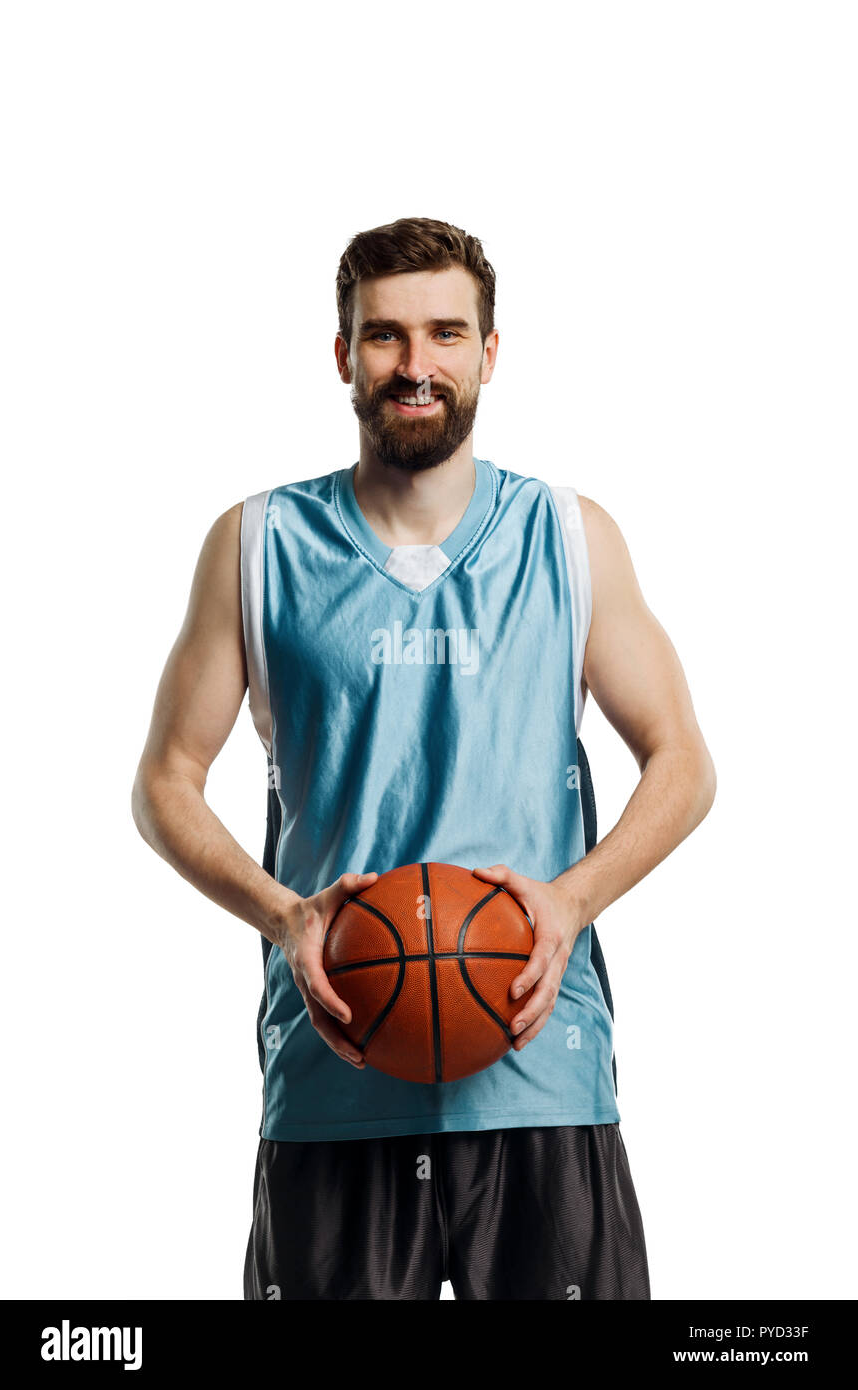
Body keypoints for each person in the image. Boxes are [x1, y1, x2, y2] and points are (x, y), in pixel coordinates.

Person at [132, 216, 716, 1301]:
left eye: (446, 332)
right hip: (334, 1064)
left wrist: (570, 901)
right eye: (386, 336)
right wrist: (288, 917)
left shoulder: (568, 535)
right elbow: (165, 781)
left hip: (541, 1070)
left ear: (489, 352)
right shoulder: (258, 545)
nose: (415, 364)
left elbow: (683, 761)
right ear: (343, 354)